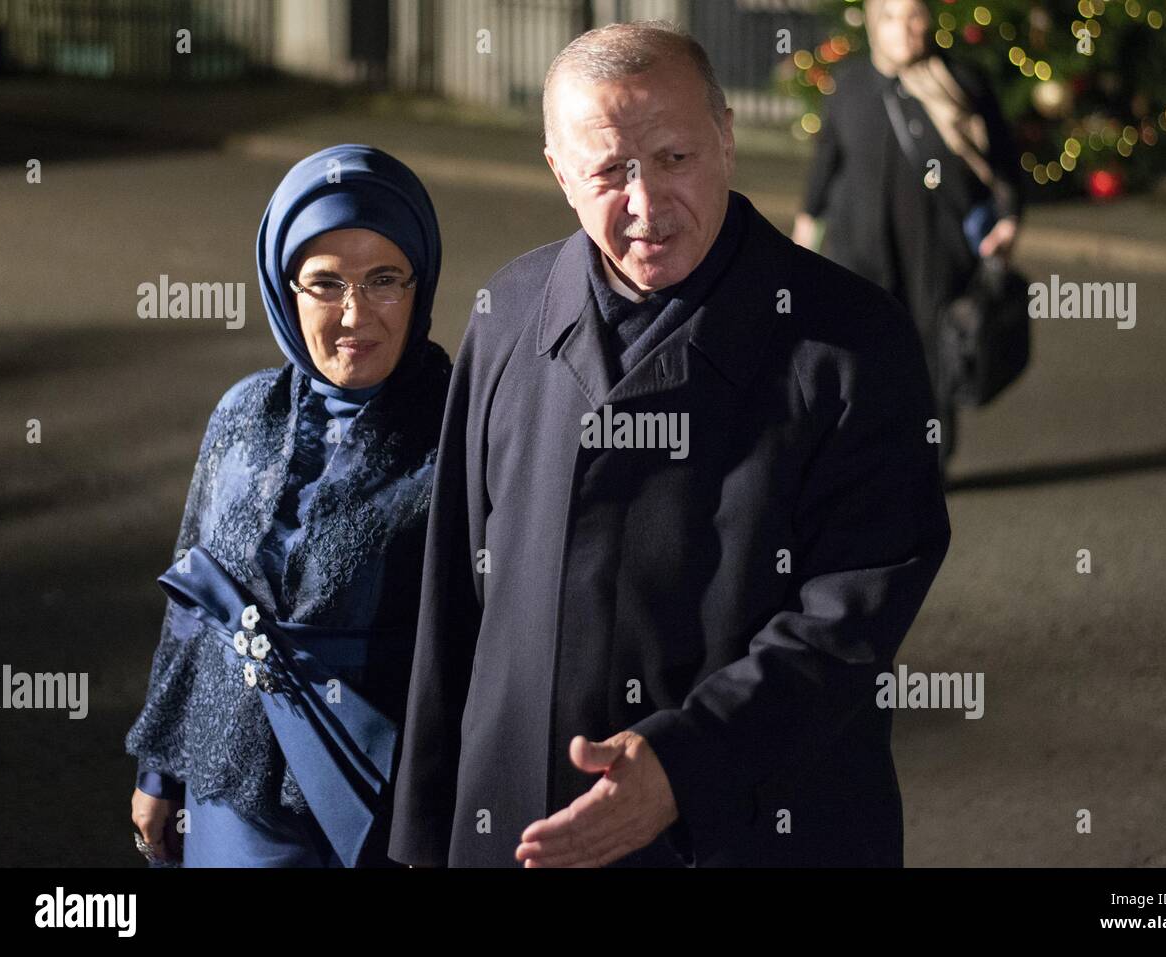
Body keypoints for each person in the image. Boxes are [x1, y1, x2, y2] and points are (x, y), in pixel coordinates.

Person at [388, 21, 951, 868]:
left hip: (760, 831)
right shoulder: (508, 312)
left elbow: (850, 621)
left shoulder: (853, 340)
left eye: (674, 157)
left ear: (726, 138)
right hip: (516, 826)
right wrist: (421, 838)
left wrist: (688, 764)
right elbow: (451, 606)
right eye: (608, 171)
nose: (646, 204)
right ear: (559, 173)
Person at [125, 144, 450, 867]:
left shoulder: (459, 429)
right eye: (325, 283)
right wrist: (159, 773)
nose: (354, 314)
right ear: (284, 289)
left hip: (371, 797)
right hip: (224, 783)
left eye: (383, 279)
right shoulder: (243, 412)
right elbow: (191, 608)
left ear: (419, 285)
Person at [793, 0, 1023, 465]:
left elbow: (1001, 159)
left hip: (934, 248)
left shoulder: (958, 82)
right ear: (874, 25)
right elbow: (826, 163)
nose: (905, 29)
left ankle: (928, 465)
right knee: (859, 351)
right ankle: (861, 459)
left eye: (914, 16)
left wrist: (1010, 219)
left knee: (929, 353)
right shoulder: (851, 84)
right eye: (892, 18)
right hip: (858, 246)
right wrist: (806, 228)